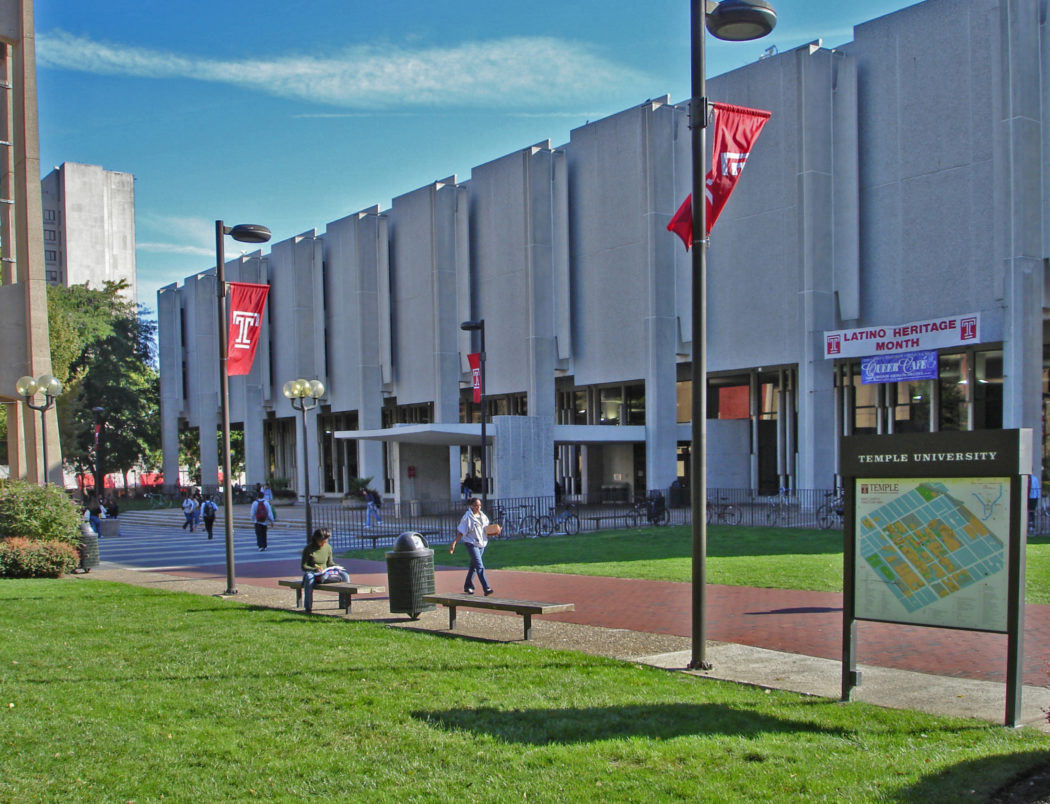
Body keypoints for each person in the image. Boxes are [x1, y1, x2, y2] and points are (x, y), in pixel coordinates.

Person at [449, 497, 496, 596]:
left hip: (482, 543)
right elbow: (461, 531)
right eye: (476, 505)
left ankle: (468, 586)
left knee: (473, 566)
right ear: (471, 506)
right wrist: (454, 543)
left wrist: (495, 531)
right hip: (471, 543)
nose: (478, 507)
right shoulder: (467, 517)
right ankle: (486, 587)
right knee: (479, 565)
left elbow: (486, 530)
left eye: (479, 505)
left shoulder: (483, 516)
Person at [300, 527, 350, 613]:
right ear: (316, 539)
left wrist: (337, 567)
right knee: (309, 578)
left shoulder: (328, 547)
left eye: (326, 541)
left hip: (325, 572)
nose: (324, 543)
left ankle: (344, 603)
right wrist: (314, 569)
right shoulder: (308, 549)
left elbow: (330, 562)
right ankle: (308, 607)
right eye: (322, 541)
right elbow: (304, 566)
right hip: (313, 573)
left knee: (345, 575)